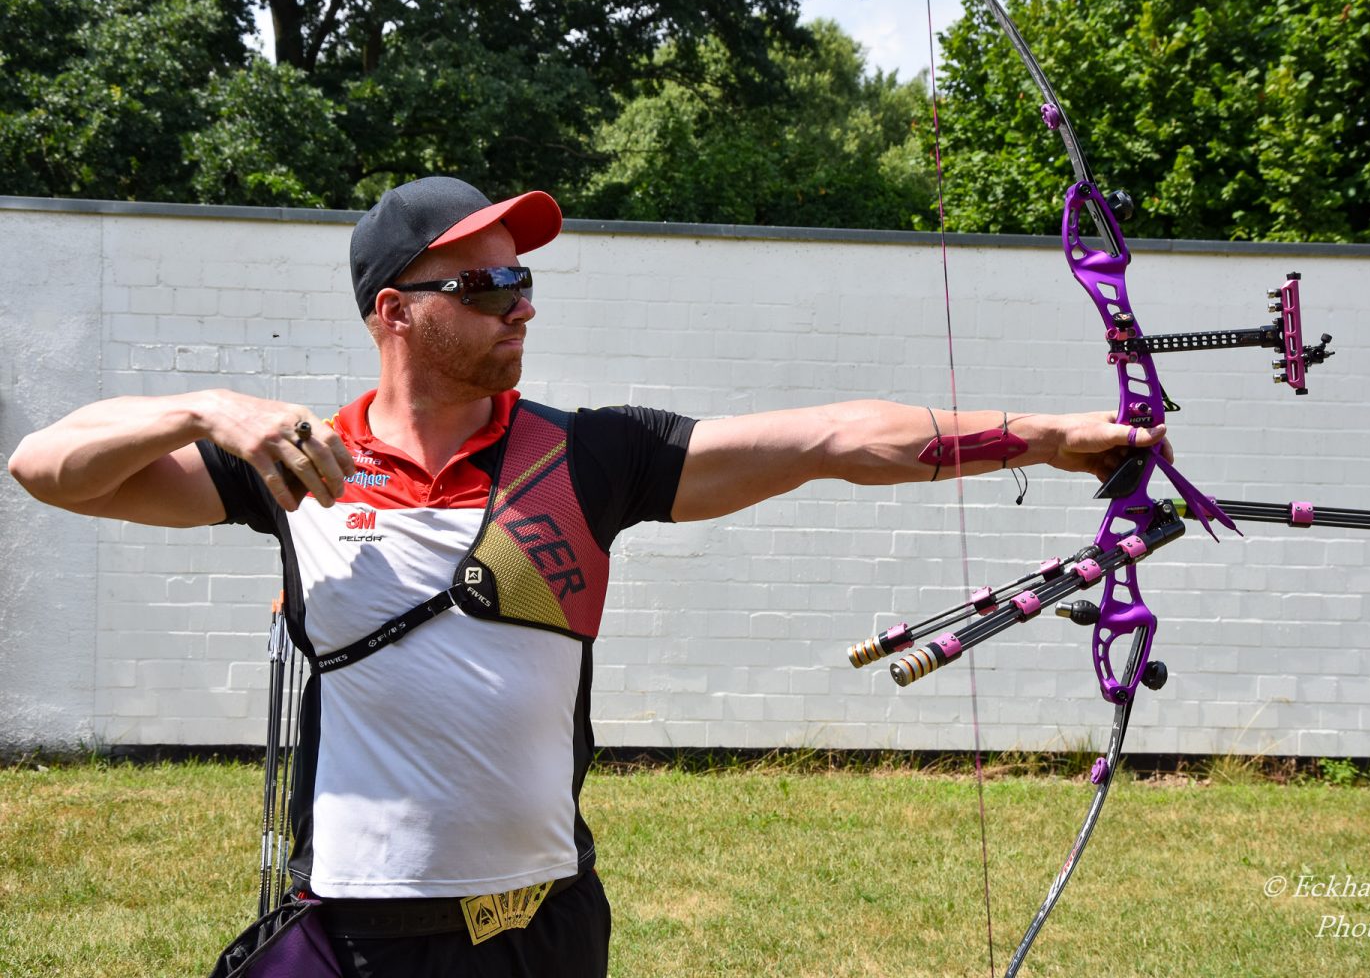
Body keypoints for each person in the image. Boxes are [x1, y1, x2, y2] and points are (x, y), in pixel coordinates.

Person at [8, 176, 1168, 977]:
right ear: (394, 312)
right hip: (364, 933)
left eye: (522, 281)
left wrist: (1042, 434)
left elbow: (829, 438)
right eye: (486, 287)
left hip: (544, 927)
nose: (521, 301)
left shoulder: (590, 456)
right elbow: (46, 467)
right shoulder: (299, 462)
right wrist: (205, 406)